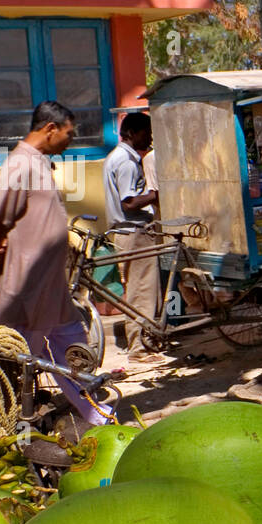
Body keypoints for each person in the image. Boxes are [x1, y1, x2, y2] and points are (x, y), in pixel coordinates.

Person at [0, 101, 108, 428]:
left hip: (53, 292)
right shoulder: (20, 164)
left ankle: (100, 419)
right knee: (16, 373)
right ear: (50, 129)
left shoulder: (40, 163)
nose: (71, 139)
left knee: (76, 359)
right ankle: (5, 437)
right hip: (29, 292)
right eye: (69, 132)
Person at [102, 112, 163, 363]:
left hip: (126, 233)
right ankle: (139, 349)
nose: (149, 138)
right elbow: (129, 202)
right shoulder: (126, 161)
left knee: (138, 290)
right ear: (133, 133)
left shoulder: (116, 157)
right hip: (134, 232)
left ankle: (145, 340)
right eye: (147, 132)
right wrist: (156, 195)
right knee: (142, 292)